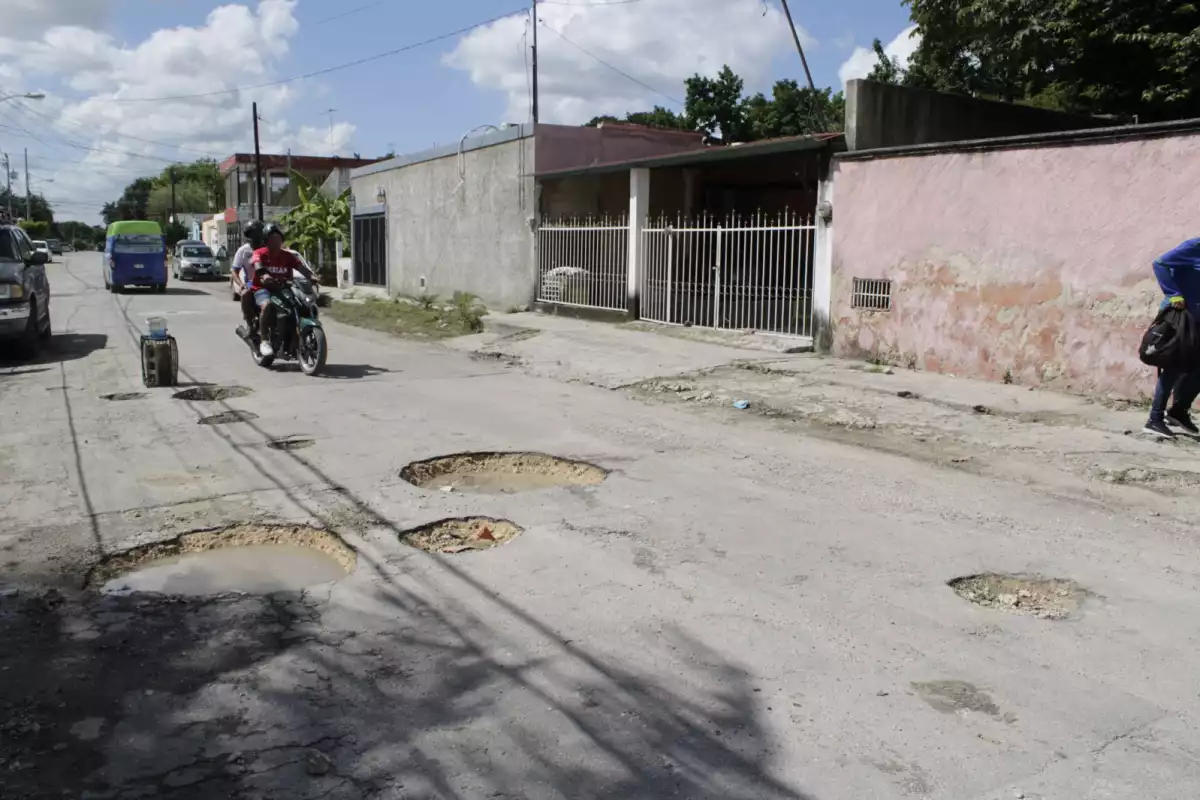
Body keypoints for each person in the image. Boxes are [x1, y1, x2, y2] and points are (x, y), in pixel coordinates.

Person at [1145, 236, 1200, 439]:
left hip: (1197, 320)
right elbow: (1160, 263)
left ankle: (1178, 412)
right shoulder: (1194, 246)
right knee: (1173, 368)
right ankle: (1154, 419)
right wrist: (1174, 294)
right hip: (1181, 318)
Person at [248, 222, 316, 357]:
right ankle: (265, 341)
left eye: (278, 239)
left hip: (283, 289)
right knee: (267, 306)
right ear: (266, 241)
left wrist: (313, 277)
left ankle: (295, 339)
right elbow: (258, 266)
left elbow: (301, 268)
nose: (276, 242)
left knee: (301, 305)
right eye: (272, 239)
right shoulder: (259, 253)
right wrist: (265, 275)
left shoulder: (288, 256)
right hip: (262, 289)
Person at [233, 220, 265, 329]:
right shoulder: (243, 251)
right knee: (245, 294)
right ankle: (250, 323)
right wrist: (241, 284)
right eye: (253, 234)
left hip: (269, 283)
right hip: (252, 283)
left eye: (259, 233)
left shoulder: (269, 248)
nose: (256, 237)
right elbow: (234, 270)